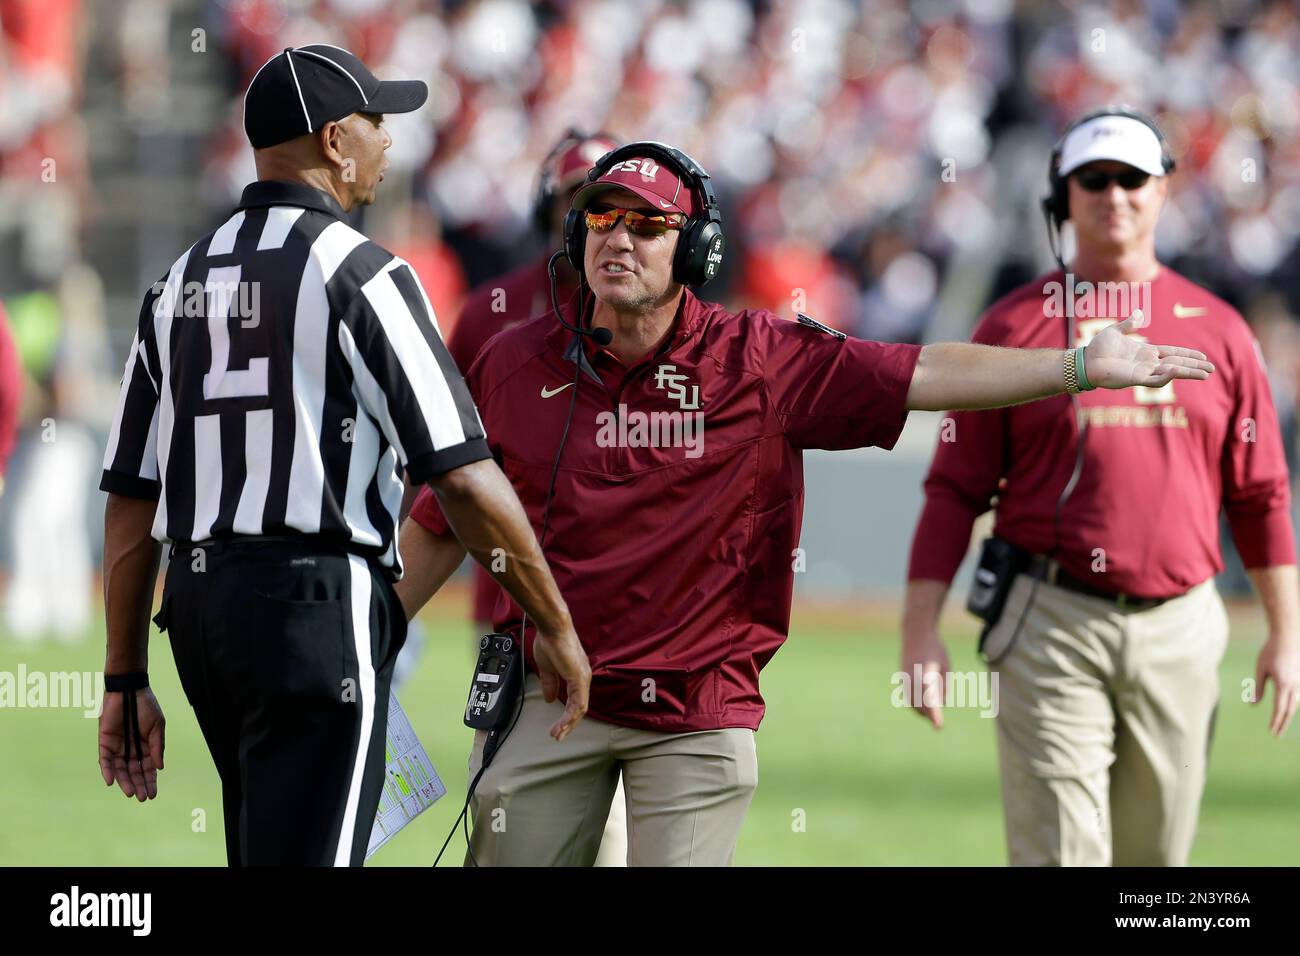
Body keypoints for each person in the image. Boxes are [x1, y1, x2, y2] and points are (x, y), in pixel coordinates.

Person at [394, 140, 1215, 866]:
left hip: (695, 709)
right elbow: (442, 519)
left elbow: (922, 373)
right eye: (604, 219)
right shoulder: (511, 361)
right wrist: (364, 646)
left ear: (695, 252)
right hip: (551, 691)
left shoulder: (760, 359)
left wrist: (1076, 367)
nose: (620, 238)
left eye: (649, 227)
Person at [95, 44, 589, 866]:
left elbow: (131, 498)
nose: (388, 142)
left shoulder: (177, 281)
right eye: (375, 121)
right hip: (313, 604)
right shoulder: (362, 272)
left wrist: (122, 677)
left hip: (200, 610)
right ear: (332, 140)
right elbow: (462, 474)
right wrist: (555, 623)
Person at [902, 107, 1300, 866]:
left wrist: (1287, 632)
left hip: (1182, 625)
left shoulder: (1220, 329)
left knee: (1155, 864)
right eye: (1095, 179)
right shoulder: (1012, 326)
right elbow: (955, 487)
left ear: (1161, 192)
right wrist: (920, 630)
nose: (1114, 195)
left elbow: (1262, 494)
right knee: (1062, 854)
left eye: (1131, 179)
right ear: (1063, 197)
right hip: (1050, 618)